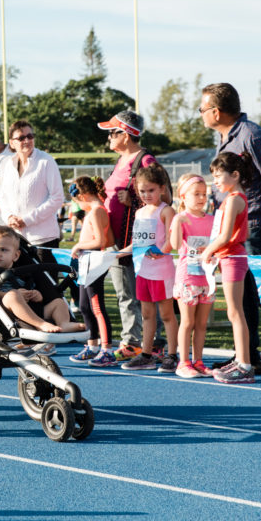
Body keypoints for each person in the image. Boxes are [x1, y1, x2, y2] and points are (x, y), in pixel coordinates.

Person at [200, 82, 261, 374]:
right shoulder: (226, 137)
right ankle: (246, 355)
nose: (200, 115)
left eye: (202, 110)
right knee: (246, 297)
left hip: (254, 225)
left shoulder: (251, 135)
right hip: (235, 226)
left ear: (216, 111)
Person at [98, 110, 156, 361]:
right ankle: (145, 340)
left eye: (112, 132)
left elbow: (163, 197)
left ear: (127, 134)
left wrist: (133, 200)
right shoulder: (121, 160)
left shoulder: (144, 160)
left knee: (133, 293)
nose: (108, 137)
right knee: (126, 292)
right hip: (116, 239)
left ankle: (134, 342)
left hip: (133, 240)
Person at [202, 151, 255, 385]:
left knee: (235, 312)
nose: (215, 182)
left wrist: (208, 250)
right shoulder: (234, 198)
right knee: (234, 312)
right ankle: (241, 360)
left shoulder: (234, 199)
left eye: (218, 176)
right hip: (229, 255)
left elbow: (224, 236)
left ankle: (244, 365)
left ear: (235, 175)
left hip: (232, 257)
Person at [121, 164, 179, 372]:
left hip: (161, 271)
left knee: (166, 314)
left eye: (151, 190)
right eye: (142, 191)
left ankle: (172, 355)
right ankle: (146, 354)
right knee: (146, 314)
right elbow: (137, 243)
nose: (146, 195)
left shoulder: (167, 210)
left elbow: (173, 240)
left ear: (162, 188)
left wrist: (162, 250)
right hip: (142, 270)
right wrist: (122, 251)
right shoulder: (139, 213)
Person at [0, 225, 79, 337]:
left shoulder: (23, 272)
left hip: (34, 310)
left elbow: (34, 288)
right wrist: (15, 295)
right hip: (7, 311)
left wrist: (37, 295)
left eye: (3, 250)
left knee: (58, 302)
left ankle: (64, 323)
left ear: (16, 255)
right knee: (12, 296)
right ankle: (40, 325)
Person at [68, 176, 117, 367]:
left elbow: (102, 242)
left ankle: (107, 349)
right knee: (84, 305)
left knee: (96, 306)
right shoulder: (95, 211)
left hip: (93, 261)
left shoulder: (97, 211)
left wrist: (79, 245)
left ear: (82, 196)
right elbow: (110, 239)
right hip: (86, 261)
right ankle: (93, 346)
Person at [170, 174, 215, 378]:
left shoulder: (213, 220)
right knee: (187, 322)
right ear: (183, 196)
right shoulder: (181, 219)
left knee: (202, 324)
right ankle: (183, 362)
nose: (201, 198)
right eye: (196, 194)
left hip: (207, 280)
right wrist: (178, 221)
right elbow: (176, 245)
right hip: (187, 278)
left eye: (204, 194)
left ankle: (198, 361)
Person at [0, 120, 64, 249]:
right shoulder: (7, 165)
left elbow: (57, 198)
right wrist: (9, 217)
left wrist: (26, 220)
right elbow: (2, 197)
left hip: (43, 238)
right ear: (12, 142)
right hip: (15, 238)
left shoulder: (46, 161)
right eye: (21, 138)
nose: (27, 140)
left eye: (30, 136)